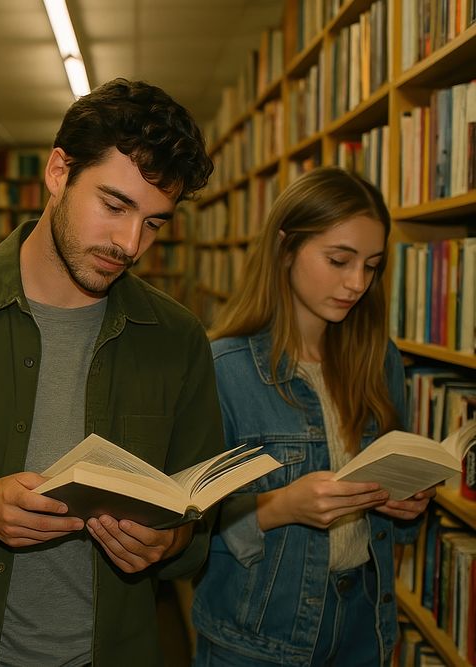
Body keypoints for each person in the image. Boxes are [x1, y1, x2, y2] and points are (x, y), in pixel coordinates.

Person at [0, 78, 223, 665]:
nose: (129, 243)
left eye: (154, 223)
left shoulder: (178, 340)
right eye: (114, 206)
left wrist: (170, 539)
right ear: (59, 172)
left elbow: (199, 522)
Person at [190, 167, 435, 666]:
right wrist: (281, 506)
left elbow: (392, 517)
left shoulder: (378, 358)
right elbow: (187, 534)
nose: (356, 283)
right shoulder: (223, 369)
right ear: (285, 249)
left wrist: (407, 502)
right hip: (257, 634)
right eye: (339, 260)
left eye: (372, 266)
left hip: (365, 620)